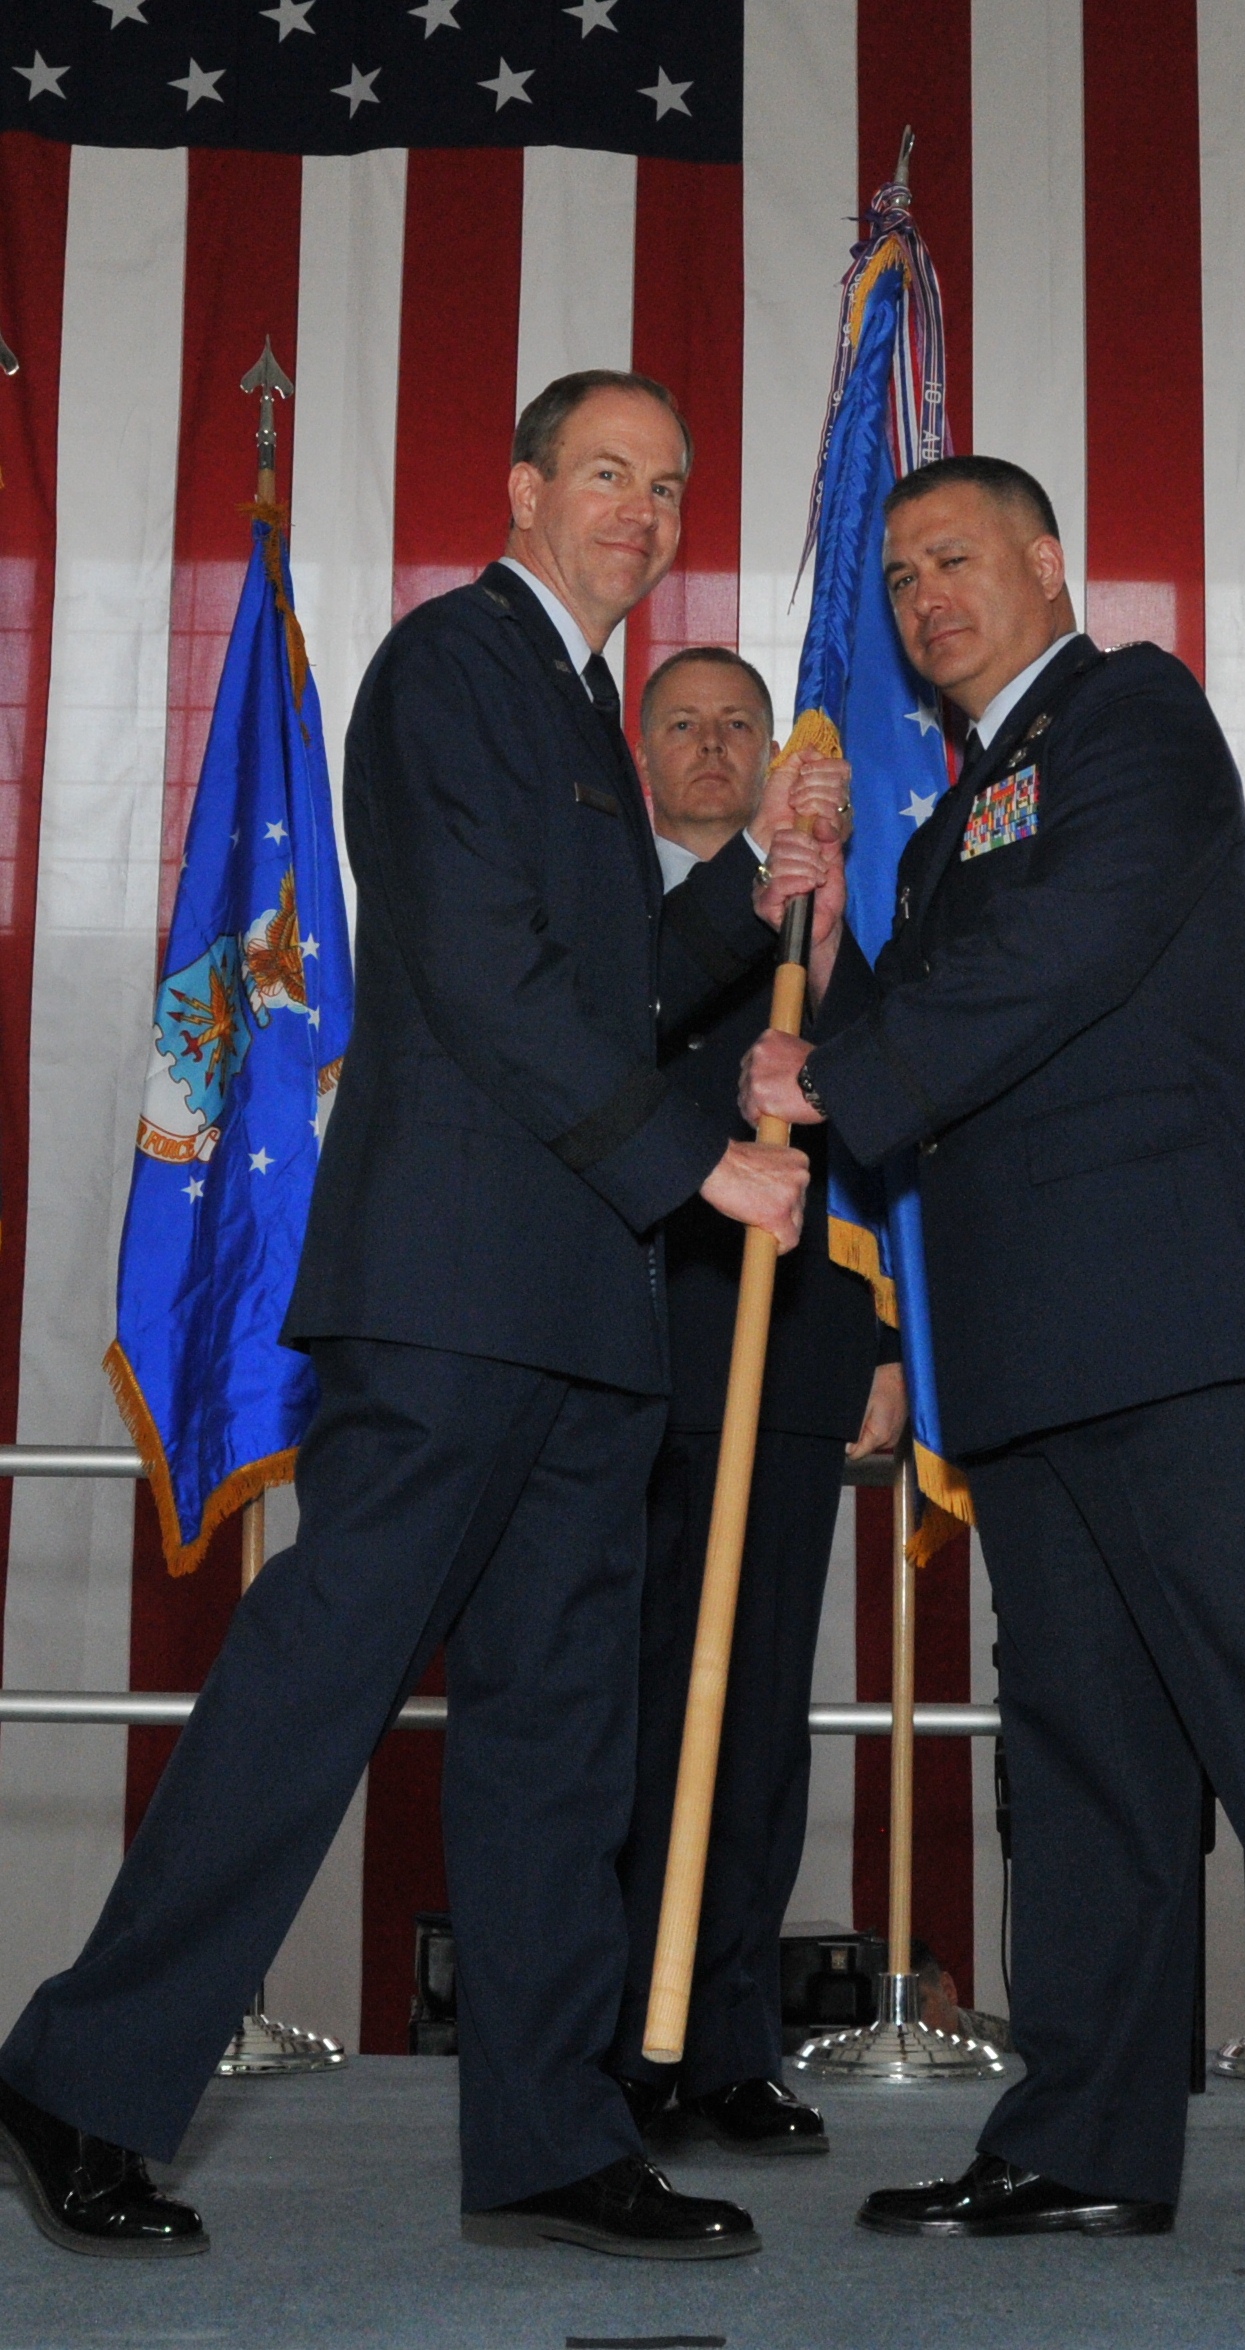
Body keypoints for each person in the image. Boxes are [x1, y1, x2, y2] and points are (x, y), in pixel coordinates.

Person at [0, 370, 838, 2265]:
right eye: (608, 471)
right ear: (527, 482)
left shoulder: (581, 712)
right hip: (455, 1292)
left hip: (580, 1314)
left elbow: (601, 988)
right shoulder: (454, 663)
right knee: (317, 1686)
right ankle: (78, 2070)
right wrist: (693, 1170)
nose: (642, 507)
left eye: (671, 484)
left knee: (557, 1741)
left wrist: (747, 897)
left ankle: (545, 2135)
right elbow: (472, 965)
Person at [741, 452, 1245, 2281]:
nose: (924, 597)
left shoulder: (1136, 723)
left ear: (1049, 559)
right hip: (1031, 1349)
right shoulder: (949, 825)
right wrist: (819, 955)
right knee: (1085, 1759)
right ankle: (1088, 2140)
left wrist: (848, 1077)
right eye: (897, 577)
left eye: (955, 557)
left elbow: (1063, 959)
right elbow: (918, 1064)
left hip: (1181, 1321)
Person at [607, 647, 906, 2156]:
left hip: (788, 1352)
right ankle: (609, 2037)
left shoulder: (834, 913)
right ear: (640, 748)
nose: (718, 747)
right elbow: (585, 1068)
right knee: (620, 1706)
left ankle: (728, 2040)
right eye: (688, 724)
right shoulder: (610, 900)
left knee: (762, 1718)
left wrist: (884, 1342)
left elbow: (886, 1132)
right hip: (628, 1349)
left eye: (743, 725)